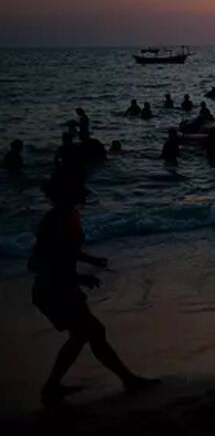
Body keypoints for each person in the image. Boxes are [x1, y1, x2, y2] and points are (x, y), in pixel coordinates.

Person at [28, 173, 158, 406]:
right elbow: (44, 260)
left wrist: (90, 260)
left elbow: (66, 251)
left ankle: (53, 386)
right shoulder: (55, 221)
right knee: (92, 332)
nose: (83, 193)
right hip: (54, 290)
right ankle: (127, 380)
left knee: (83, 335)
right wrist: (78, 277)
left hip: (61, 287)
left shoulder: (68, 216)